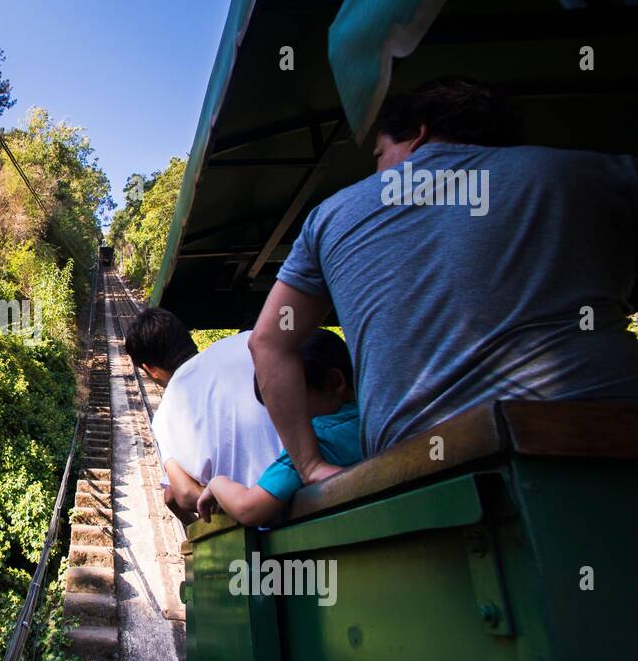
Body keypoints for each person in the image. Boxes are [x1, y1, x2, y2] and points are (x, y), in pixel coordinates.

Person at [249, 76, 638, 487]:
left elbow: (270, 342)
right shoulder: (589, 172)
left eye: (380, 155)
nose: (378, 171)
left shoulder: (330, 217)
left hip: (422, 467)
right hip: (609, 432)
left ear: (417, 134)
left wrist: (309, 466)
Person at [124, 308, 282, 524]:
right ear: (187, 338)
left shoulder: (164, 417)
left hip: (259, 528)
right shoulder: (248, 342)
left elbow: (184, 494)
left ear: (150, 369)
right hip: (316, 492)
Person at [201, 330, 361, 526]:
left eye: (288, 406)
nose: (282, 420)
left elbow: (248, 509)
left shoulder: (317, 439)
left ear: (335, 382)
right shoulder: (376, 422)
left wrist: (217, 483)